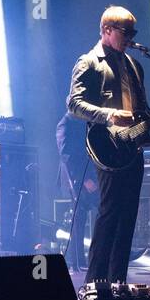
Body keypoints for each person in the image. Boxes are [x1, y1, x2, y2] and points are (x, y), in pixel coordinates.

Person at [66, 6, 150, 283]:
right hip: (106, 148)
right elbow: (73, 104)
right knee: (110, 212)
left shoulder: (134, 66)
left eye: (133, 32)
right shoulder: (89, 62)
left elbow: (141, 108)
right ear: (107, 30)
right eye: (127, 32)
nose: (131, 37)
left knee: (128, 216)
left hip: (132, 147)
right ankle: (95, 283)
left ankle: (117, 282)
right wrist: (108, 114)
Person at [55, 111, 96, 271]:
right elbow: (66, 156)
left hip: (85, 177)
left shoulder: (81, 123)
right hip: (75, 180)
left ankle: (78, 261)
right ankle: (77, 261)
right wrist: (84, 179)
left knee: (81, 219)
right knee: (82, 219)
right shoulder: (64, 124)